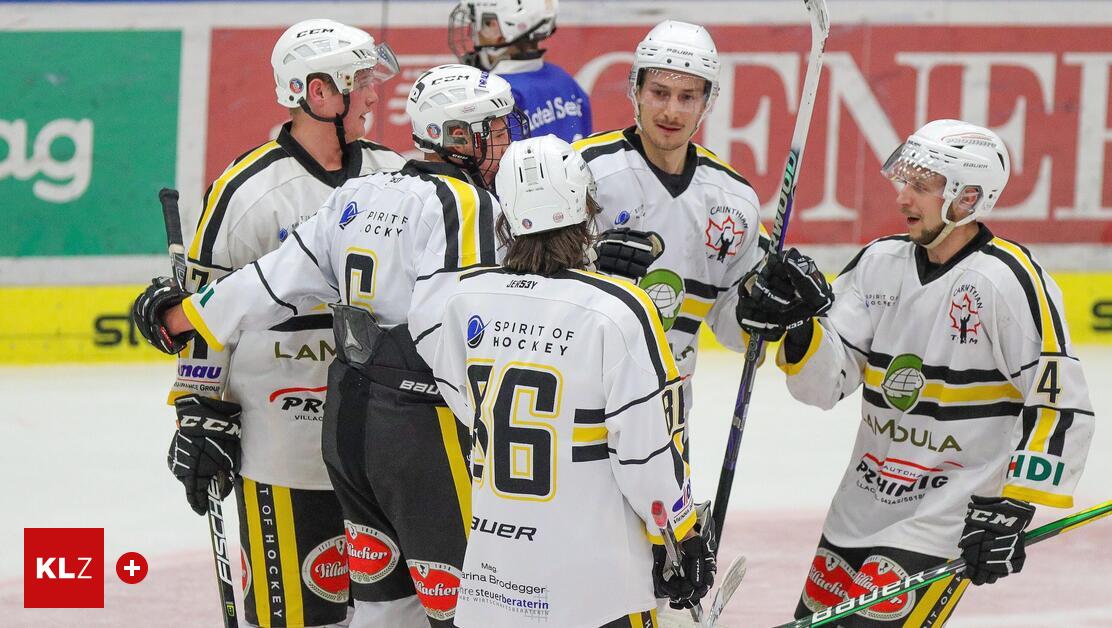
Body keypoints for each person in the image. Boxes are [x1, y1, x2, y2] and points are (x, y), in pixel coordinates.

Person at [133, 63, 527, 627]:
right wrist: (488, 429)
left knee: (381, 606)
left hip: (349, 423)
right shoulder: (468, 206)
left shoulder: (361, 193)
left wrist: (180, 316)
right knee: (468, 606)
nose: (505, 143)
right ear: (457, 136)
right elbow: (446, 329)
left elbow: (270, 280)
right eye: (495, 129)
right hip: (423, 427)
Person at [736, 120, 1095, 626]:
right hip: (858, 509)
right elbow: (824, 384)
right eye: (905, 180)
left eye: (922, 187)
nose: (903, 196)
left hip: (941, 518)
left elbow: (1060, 402)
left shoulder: (1006, 280)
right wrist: (799, 326)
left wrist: (1012, 508)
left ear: (968, 198)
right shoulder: (879, 263)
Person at [408, 135, 715, 627]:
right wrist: (681, 533)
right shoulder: (617, 309)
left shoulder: (465, 299)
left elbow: (469, 407)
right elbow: (645, 453)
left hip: (493, 585)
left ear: (505, 214)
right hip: (595, 592)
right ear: (585, 207)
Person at [166, 18, 406, 628]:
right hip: (281, 449)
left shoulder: (397, 177)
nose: (374, 94)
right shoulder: (246, 190)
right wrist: (196, 407)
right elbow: (202, 318)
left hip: (380, 447)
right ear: (318, 92)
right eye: (359, 81)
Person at [573, 20, 765, 417]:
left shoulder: (733, 198)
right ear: (636, 91)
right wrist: (586, 271)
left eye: (687, 96)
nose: (671, 110)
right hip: (578, 396)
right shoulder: (580, 171)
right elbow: (525, 286)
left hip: (668, 411)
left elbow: (735, 333)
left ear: (707, 102)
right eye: (659, 92)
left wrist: (765, 311)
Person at [449, 0, 592, 141]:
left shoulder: (496, 93)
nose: (474, 34)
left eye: (477, 24)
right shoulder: (564, 80)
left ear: (495, 27)